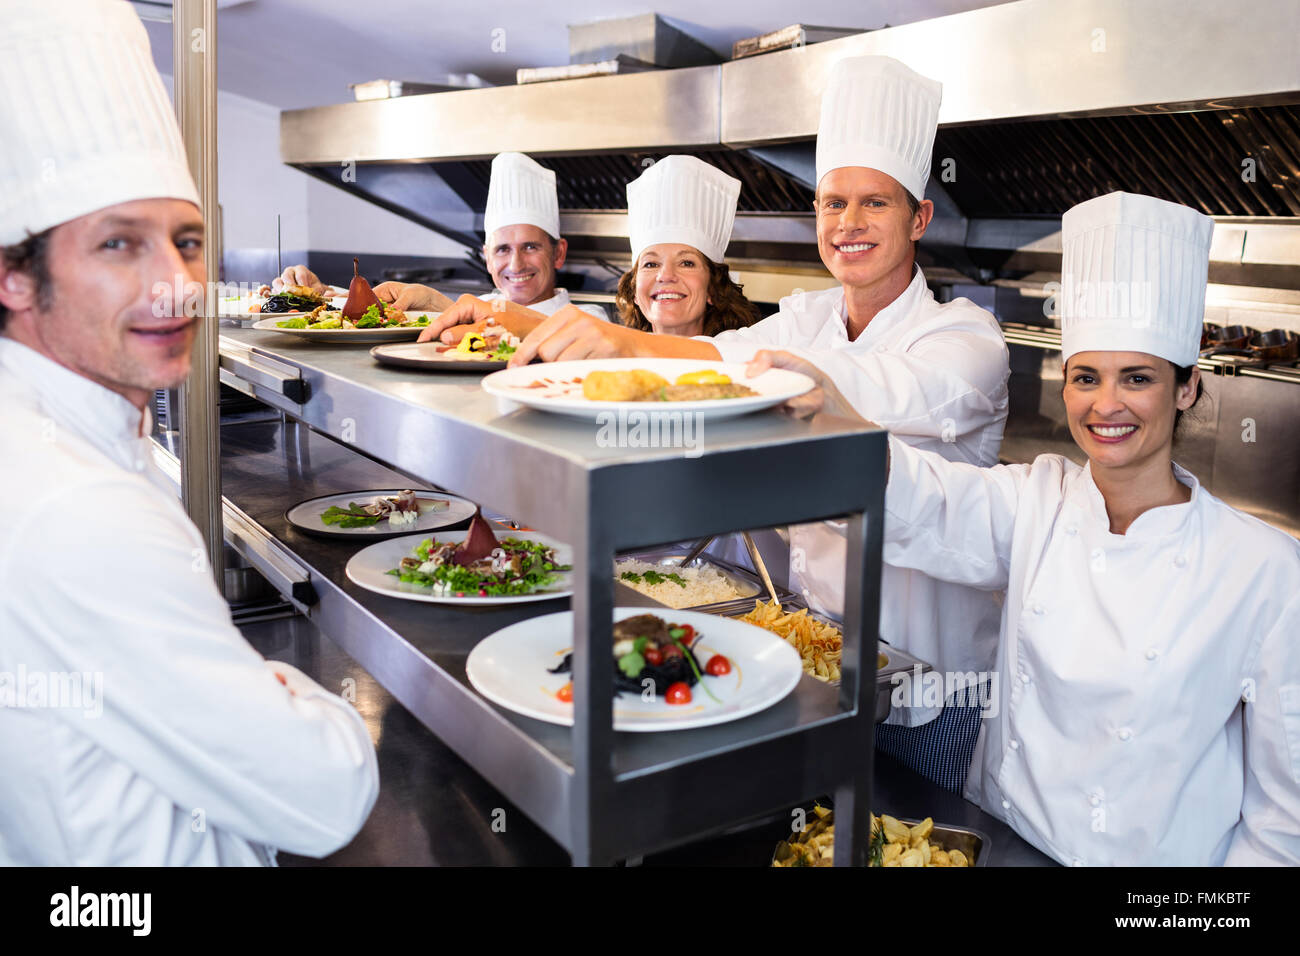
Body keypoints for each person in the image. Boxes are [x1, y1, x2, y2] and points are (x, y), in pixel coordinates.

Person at [451, 56, 1011, 792]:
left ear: (920, 217)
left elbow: (842, 387)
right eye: (832, 203)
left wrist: (621, 341)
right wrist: (591, 338)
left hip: (929, 681)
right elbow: (717, 356)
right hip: (816, 656)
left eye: (874, 203)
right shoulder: (809, 315)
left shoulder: (969, 340)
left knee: (912, 836)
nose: (847, 223)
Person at [756, 191, 1300, 865]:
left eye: (1138, 378)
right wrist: (836, 421)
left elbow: (1285, 820)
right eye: (1085, 378)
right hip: (1001, 846)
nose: (1107, 405)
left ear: (1185, 388)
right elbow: (926, 503)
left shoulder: (1265, 570)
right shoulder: (1040, 499)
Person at [0, 0, 378, 865]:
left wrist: (224, 696)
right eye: (119, 246)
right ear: (15, 278)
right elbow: (326, 795)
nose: (178, 287)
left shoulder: (57, 432)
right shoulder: (76, 509)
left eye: (188, 238)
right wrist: (273, 693)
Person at [418, 154, 759, 346]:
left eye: (686, 263)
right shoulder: (615, 351)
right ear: (635, 290)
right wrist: (434, 303)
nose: (666, 276)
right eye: (651, 265)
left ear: (713, 288)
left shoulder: (738, 351)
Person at [279, 151, 608, 319]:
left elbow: (543, 335)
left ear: (559, 253)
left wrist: (441, 304)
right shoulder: (478, 305)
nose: (516, 263)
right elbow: (374, 316)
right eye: (502, 249)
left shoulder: (590, 318)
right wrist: (320, 297)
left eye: (531, 246)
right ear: (486, 258)